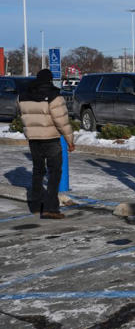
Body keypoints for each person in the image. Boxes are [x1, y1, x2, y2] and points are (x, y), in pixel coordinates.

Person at [17, 69, 75, 219]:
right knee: (55, 173)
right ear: (50, 80)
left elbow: (23, 117)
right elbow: (62, 121)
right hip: (51, 139)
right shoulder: (55, 96)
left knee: (38, 171)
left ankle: (36, 206)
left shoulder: (22, 96)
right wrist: (70, 141)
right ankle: (51, 208)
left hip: (33, 140)